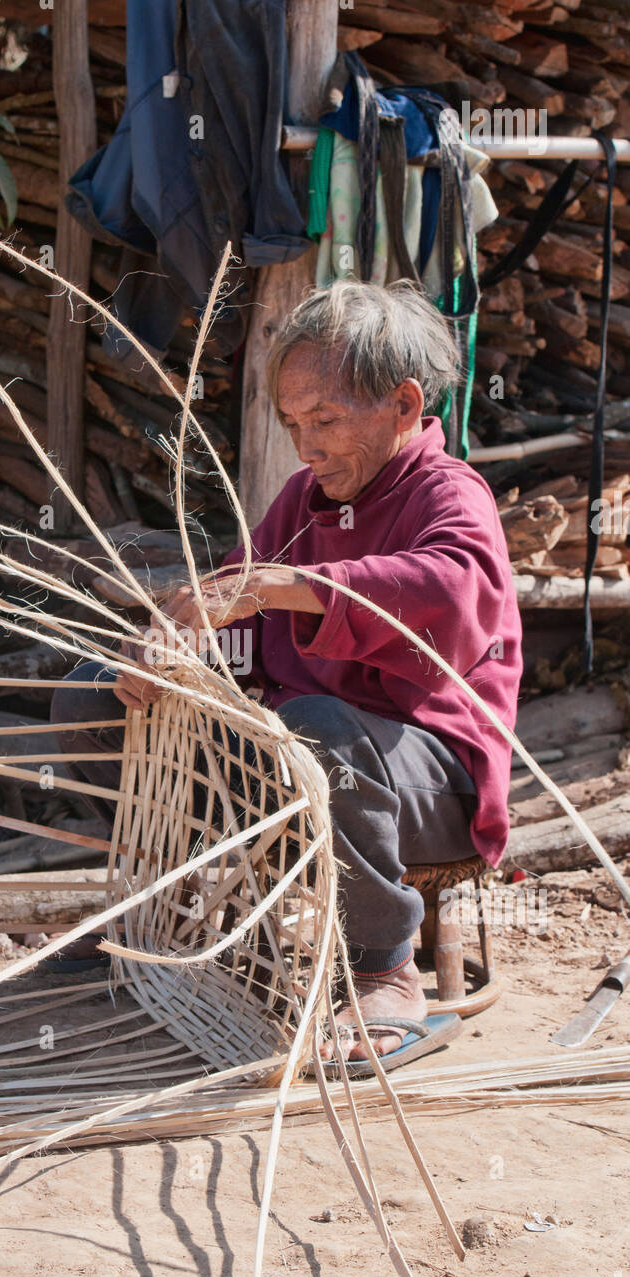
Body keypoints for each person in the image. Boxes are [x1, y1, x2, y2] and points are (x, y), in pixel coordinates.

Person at [50, 280, 522, 1063]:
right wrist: (173, 651)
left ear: (403, 407)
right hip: (300, 758)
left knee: (319, 733)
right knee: (96, 694)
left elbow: (447, 591)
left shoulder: (450, 494)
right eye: (294, 424)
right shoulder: (304, 498)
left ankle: (382, 972)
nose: (305, 448)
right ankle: (158, 907)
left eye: (326, 422)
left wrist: (280, 586)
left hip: (425, 785)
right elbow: (233, 605)